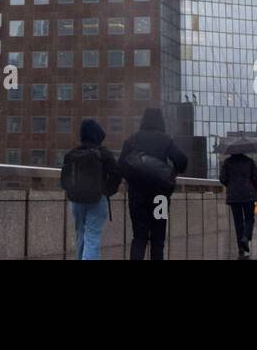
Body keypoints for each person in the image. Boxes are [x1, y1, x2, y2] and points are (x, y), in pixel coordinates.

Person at [119, 107, 189, 261]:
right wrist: (172, 172)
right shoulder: (165, 139)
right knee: (158, 239)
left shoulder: (132, 140)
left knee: (139, 237)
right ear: (160, 121)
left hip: (137, 198)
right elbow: (182, 161)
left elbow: (121, 167)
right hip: (160, 198)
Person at [61, 119, 122, 260]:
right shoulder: (104, 153)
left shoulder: (73, 153)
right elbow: (116, 175)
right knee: (93, 237)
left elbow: (65, 179)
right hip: (97, 199)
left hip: (76, 200)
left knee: (81, 235)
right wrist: (106, 190)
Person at [219, 150, 257, 258]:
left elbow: (222, 179)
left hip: (234, 196)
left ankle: (241, 247)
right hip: (249, 194)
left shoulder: (227, 162)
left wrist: (231, 185)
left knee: (238, 221)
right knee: (249, 218)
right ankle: (245, 237)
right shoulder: (249, 161)